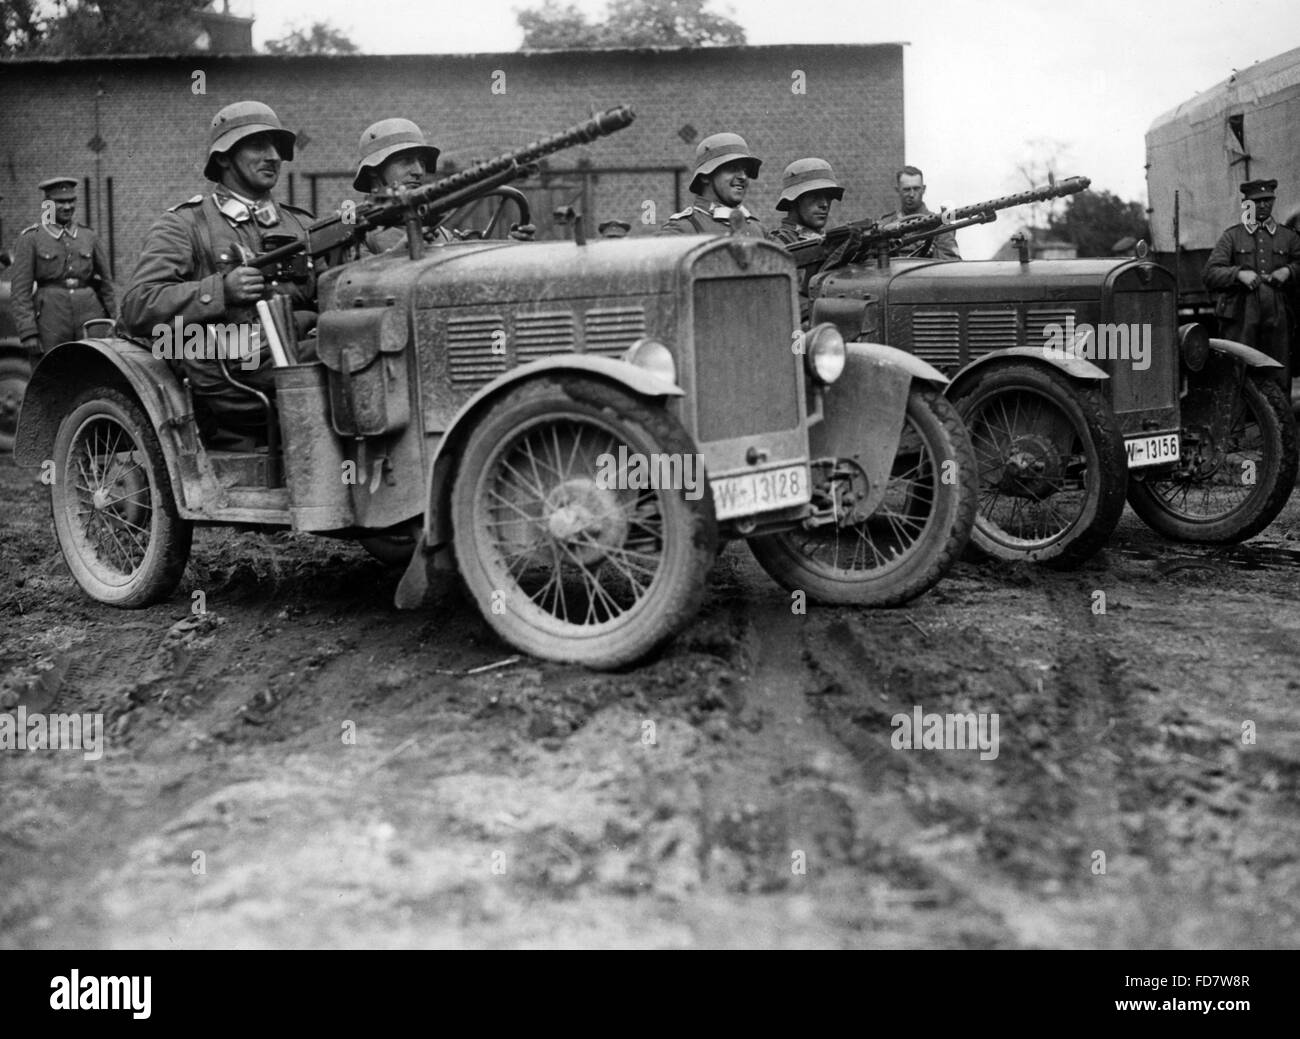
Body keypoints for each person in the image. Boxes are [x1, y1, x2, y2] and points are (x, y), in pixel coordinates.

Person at [121, 100, 317, 446]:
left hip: (293, 349)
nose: (273, 156)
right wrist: (220, 291)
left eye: (277, 146)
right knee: (339, 354)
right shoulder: (185, 225)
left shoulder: (302, 225)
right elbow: (139, 305)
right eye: (258, 145)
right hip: (229, 365)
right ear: (223, 157)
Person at [353, 118, 535, 253]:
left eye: (421, 162)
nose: (418, 171)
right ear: (374, 171)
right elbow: (345, 286)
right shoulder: (354, 234)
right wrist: (396, 257)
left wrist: (512, 247)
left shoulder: (439, 232)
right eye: (406, 161)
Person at [1204, 178, 1300, 390]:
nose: (1264, 205)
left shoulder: (1288, 237)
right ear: (1247, 203)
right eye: (1257, 201)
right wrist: (1238, 274)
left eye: (1268, 200)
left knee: (1278, 367)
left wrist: (1289, 270)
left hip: (1277, 310)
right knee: (1238, 366)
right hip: (1241, 311)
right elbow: (1210, 274)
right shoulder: (1232, 236)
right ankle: (1237, 420)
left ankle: (1278, 420)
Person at [9, 176, 116, 354]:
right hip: (50, 320)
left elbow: (107, 284)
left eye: (71, 201)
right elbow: (20, 292)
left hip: (90, 317)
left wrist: (114, 319)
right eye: (60, 202)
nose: (67, 207)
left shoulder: (89, 236)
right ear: (47, 204)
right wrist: (28, 332)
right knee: (52, 374)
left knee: (95, 370)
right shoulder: (31, 238)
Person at [657, 132, 768, 238]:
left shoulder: (758, 230)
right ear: (705, 176)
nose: (743, 177)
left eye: (745, 170)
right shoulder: (684, 229)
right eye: (732, 168)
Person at [880, 165, 961, 260]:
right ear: (897, 190)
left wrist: (931, 254)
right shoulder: (885, 224)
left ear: (923, 189)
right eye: (906, 189)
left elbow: (952, 261)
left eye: (916, 189)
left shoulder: (940, 224)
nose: (911, 194)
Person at [769, 158, 844, 245]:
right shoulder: (778, 245)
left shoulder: (827, 241)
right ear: (794, 200)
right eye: (815, 195)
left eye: (828, 196)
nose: (825, 204)